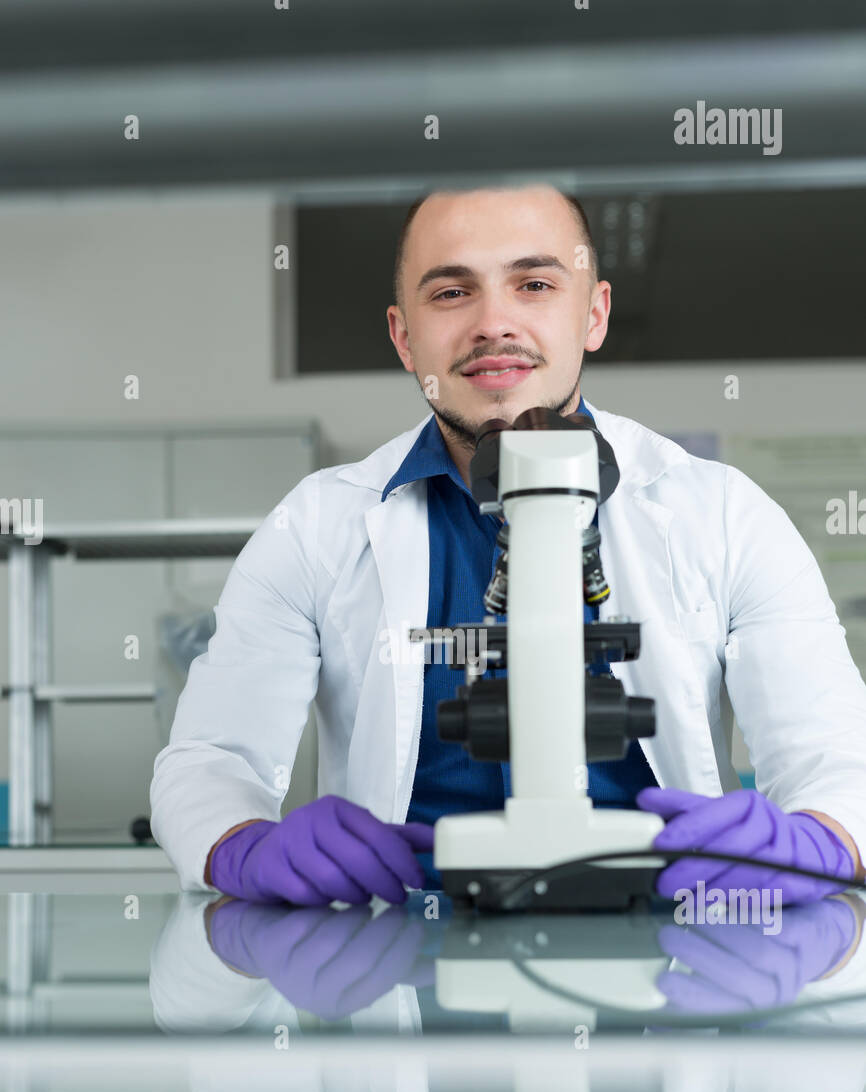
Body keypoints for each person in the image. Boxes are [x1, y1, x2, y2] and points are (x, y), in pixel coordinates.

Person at [149, 183, 866, 906]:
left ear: (594, 315)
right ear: (404, 337)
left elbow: (841, 761)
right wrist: (238, 842)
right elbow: (209, 760)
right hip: (399, 960)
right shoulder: (314, 528)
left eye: (534, 284)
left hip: (669, 971)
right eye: (452, 292)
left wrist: (824, 838)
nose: (494, 323)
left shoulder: (722, 515)